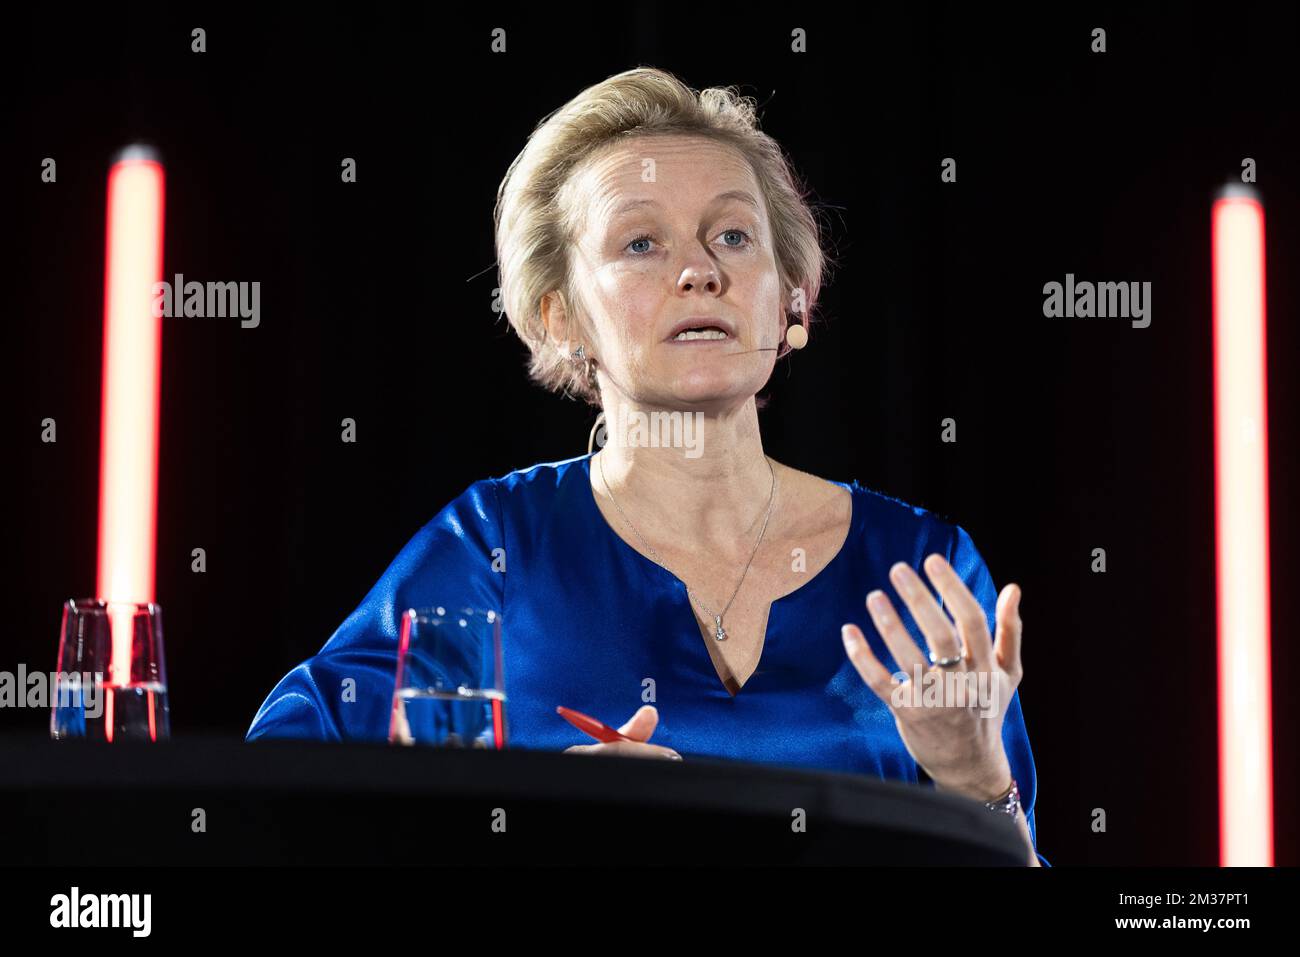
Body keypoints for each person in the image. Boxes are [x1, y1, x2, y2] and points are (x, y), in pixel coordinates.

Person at [247, 66, 1048, 866]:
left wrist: (976, 782)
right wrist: (528, 818)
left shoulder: (924, 570)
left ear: (791, 302)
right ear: (563, 317)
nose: (701, 270)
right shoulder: (492, 551)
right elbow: (277, 792)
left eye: (733, 236)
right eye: (640, 243)